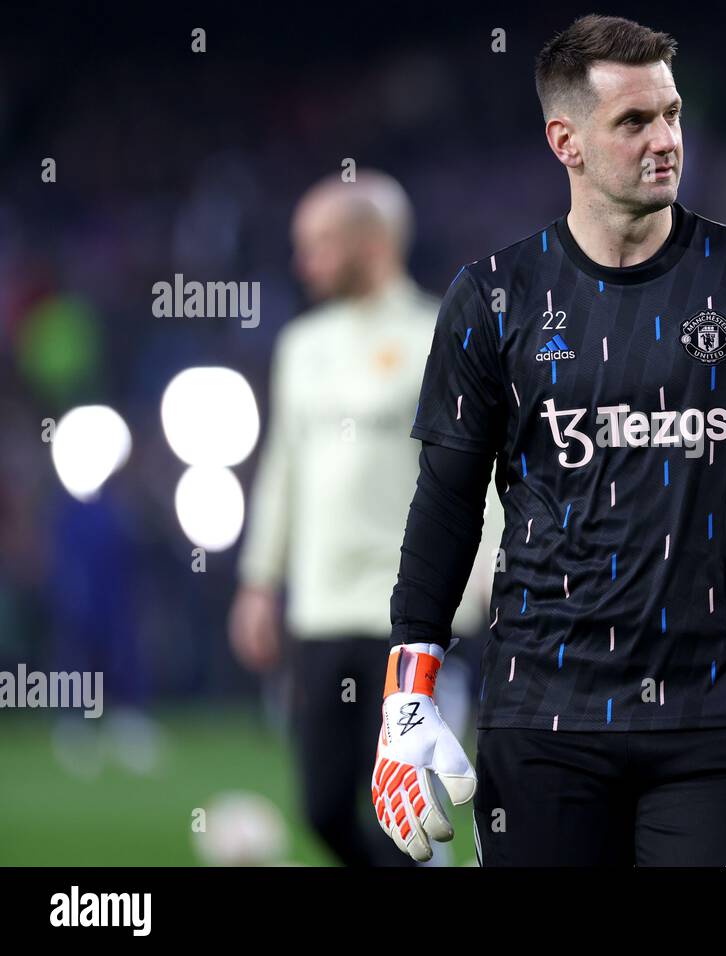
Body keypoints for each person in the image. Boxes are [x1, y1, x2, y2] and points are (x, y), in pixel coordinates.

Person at [371, 14, 726, 867]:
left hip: (717, 720)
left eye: (672, 114)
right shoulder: (492, 297)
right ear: (565, 141)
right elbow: (446, 506)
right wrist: (406, 696)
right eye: (634, 121)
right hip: (543, 719)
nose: (665, 140)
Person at [230, 171, 494, 866]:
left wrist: (485, 580)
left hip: (411, 616)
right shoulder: (301, 346)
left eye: (317, 243)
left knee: (402, 814)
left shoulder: (442, 331)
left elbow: (481, 472)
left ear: (371, 243)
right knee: (322, 811)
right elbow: (282, 470)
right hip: (320, 611)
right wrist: (260, 582)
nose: (302, 261)